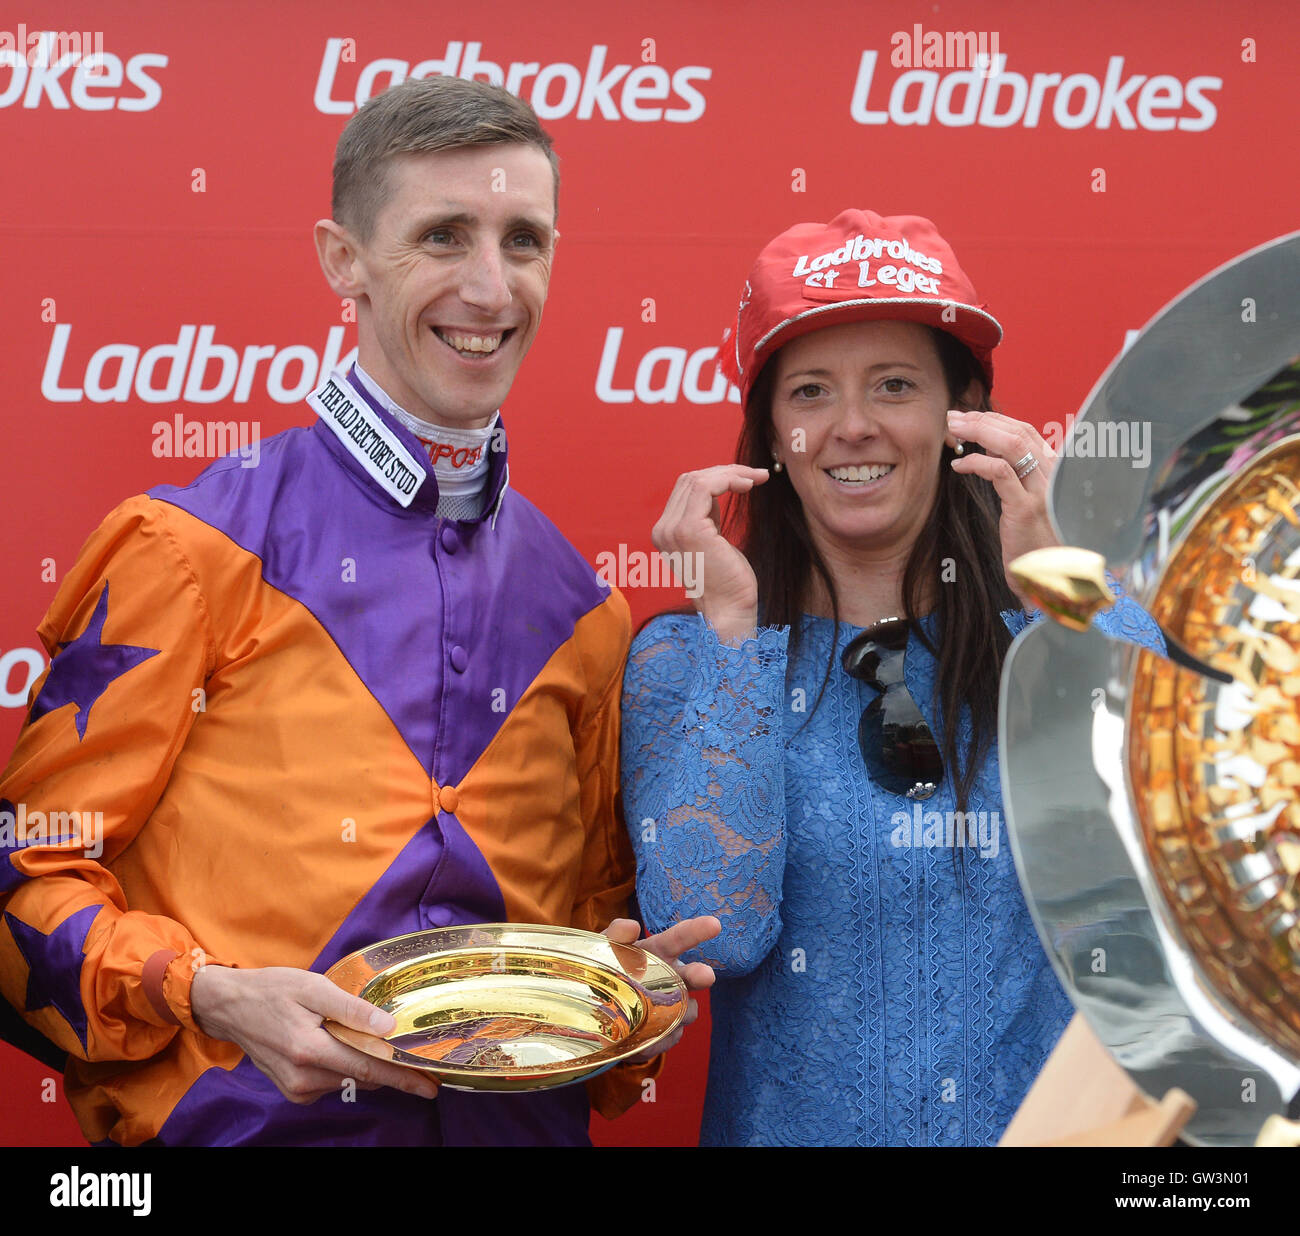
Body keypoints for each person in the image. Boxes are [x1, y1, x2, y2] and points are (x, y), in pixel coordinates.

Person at [0, 75, 716, 1148]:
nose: (490, 286)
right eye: (442, 236)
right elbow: (22, 883)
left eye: (523, 241)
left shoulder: (588, 610)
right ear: (343, 261)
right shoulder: (186, 545)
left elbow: (591, 952)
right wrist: (211, 993)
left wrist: (624, 987)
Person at [620, 208, 1161, 1146]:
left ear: (961, 415)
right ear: (771, 434)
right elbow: (717, 929)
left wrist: (1058, 594)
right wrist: (738, 632)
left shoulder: (1066, 622)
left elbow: (1180, 861)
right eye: (812, 392)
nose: (854, 427)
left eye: (895, 385)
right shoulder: (691, 657)